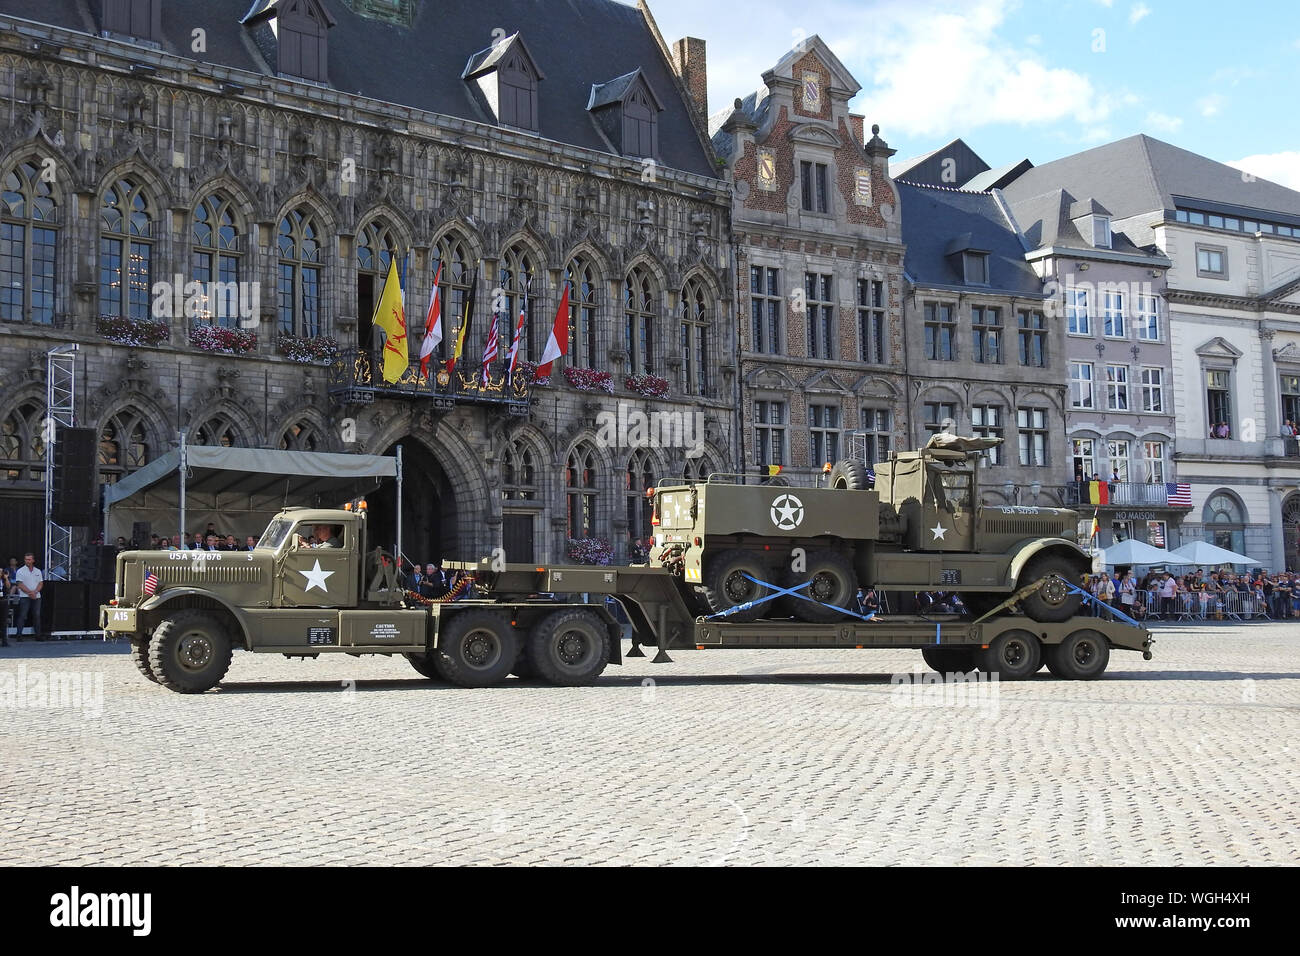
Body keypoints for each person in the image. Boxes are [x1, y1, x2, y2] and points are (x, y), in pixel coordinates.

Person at [12, 552, 43, 641]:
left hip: (37, 596)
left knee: (37, 615)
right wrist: (30, 593)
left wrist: (35, 592)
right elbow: (19, 584)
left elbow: (41, 583)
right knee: (22, 615)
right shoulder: (20, 571)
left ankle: (38, 635)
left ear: (33, 560)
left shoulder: (37, 571)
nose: (27, 561)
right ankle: (19, 635)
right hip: (24, 596)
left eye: (29, 559)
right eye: (26, 559)